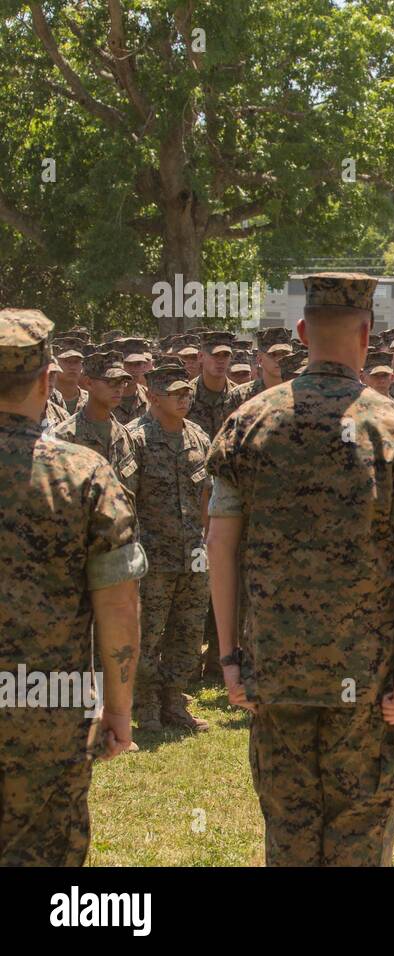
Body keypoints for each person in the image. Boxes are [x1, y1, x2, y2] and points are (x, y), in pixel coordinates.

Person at [206, 273, 394, 866]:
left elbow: (219, 545)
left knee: (289, 826)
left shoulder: (248, 422)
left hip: (274, 668)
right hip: (370, 673)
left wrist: (230, 657)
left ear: (304, 332)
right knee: (361, 827)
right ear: (367, 335)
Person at [0, 308, 146, 865]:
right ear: (45, 381)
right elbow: (118, 602)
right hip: (48, 708)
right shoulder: (82, 474)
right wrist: (119, 707)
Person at [127, 362, 212, 733]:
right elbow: (125, 500)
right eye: (175, 393)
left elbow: (208, 495)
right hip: (152, 556)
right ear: (152, 396)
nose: (184, 397)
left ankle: (174, 700)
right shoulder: (135, 439)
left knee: (188, 631)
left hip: (194, 554)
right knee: (147, 633)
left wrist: (207, 542)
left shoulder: (198, 437)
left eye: (186, 391)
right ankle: (145, 704)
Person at [50, 350, 142, 506]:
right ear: (89, 383)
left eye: (122, 382)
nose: (119, 388)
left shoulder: (124, 435)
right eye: (111, 382)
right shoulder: (64, 436)